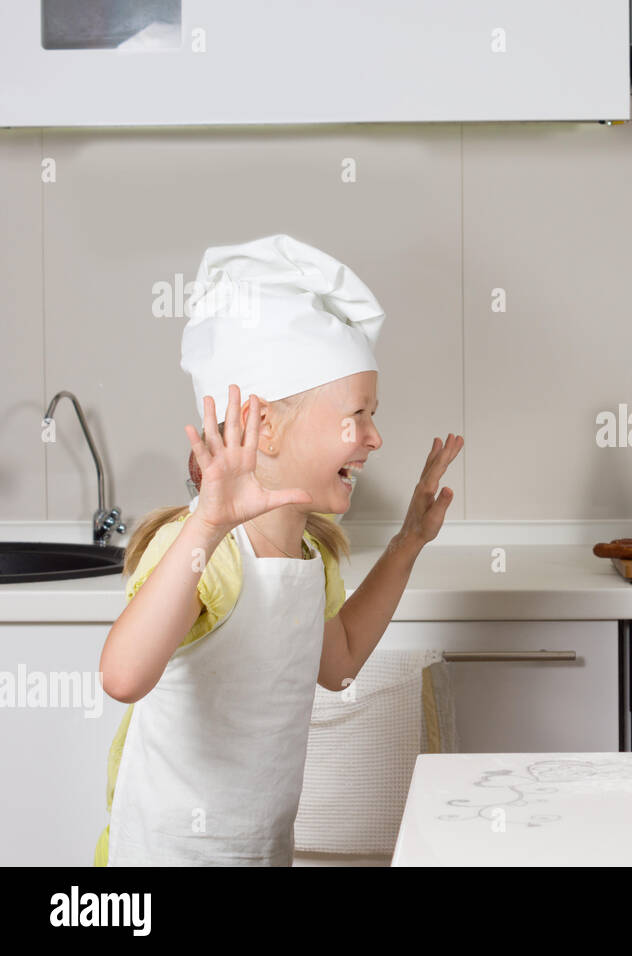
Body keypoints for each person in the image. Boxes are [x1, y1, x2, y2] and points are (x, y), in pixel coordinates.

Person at [94, 234, 464, 865]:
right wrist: (206, 526)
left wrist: (408, 544)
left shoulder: (307, 558)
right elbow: (123, 677)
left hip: (260, 852)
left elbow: (339, 663)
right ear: (264, 427)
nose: (374, 437)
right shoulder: (205, 550)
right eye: (357, 415)